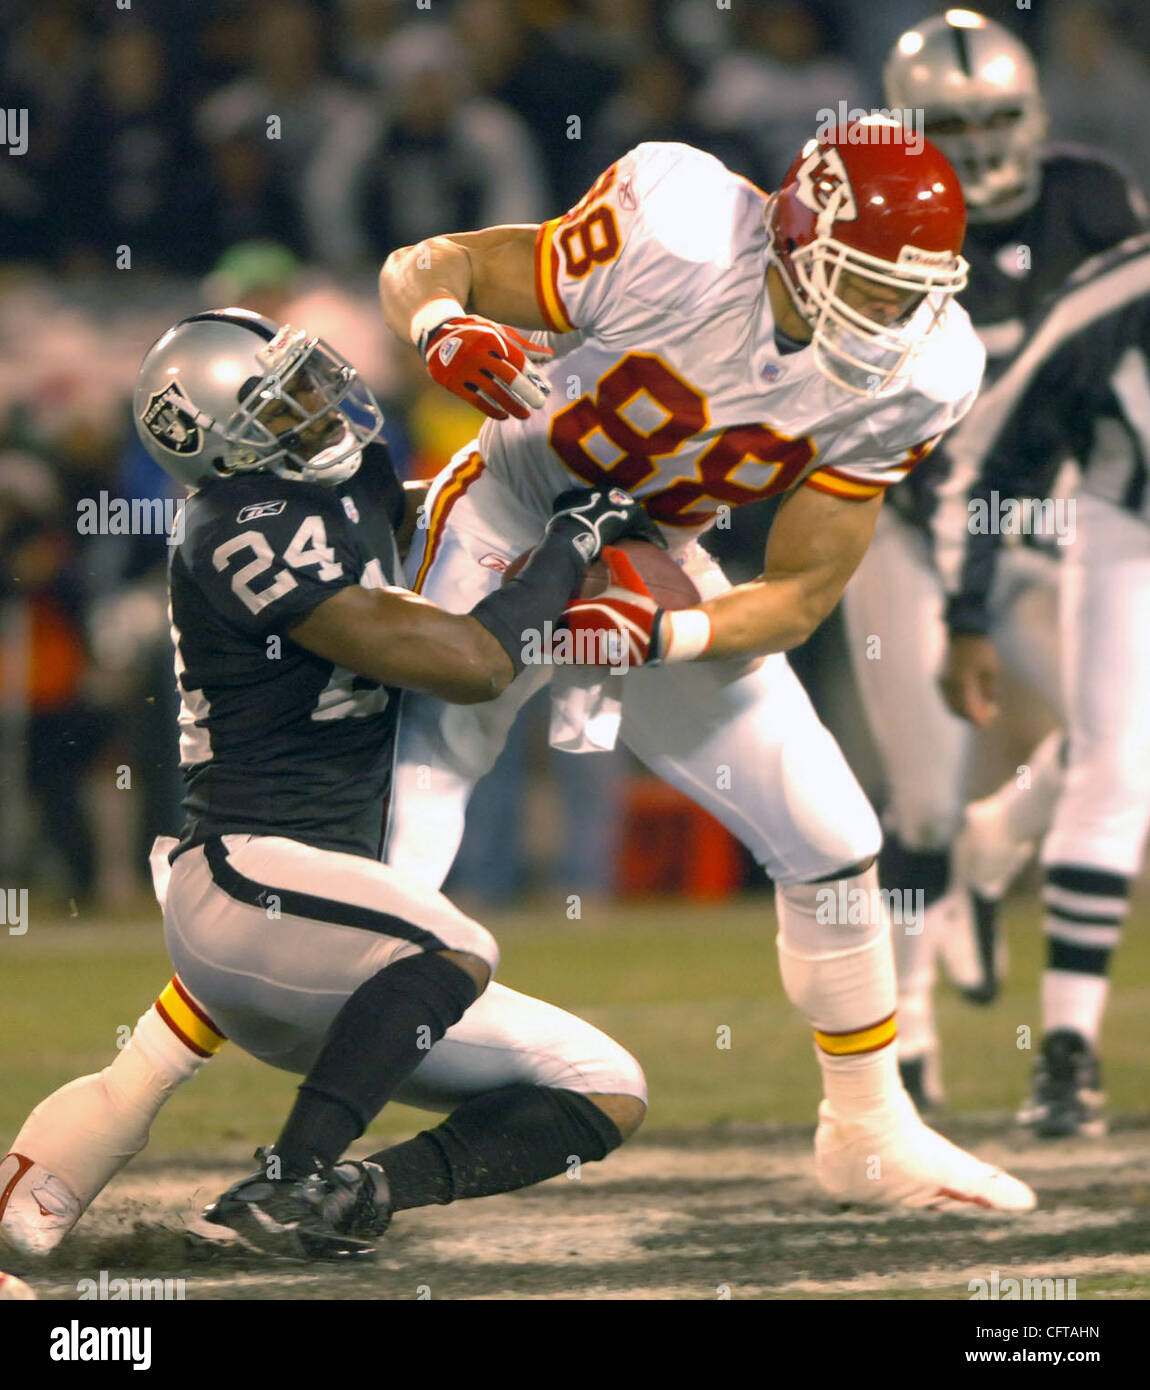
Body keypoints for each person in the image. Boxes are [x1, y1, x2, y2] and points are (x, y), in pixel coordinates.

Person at [376, 118, 1034, 1212]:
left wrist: (666, 629)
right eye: (868, 283)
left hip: (652, 555)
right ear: (796, 239)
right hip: (516, 513)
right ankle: (233, 1109)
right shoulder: (678, 227)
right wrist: (443, 325)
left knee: (830, 832)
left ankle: (868, 1132)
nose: (893, 316)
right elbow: (434, 260)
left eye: (911, 291)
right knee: (401, 852)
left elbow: (805, 590)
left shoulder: (924, 371)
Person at [1, 307, 653, 1260]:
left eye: (309, 379)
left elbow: (451, 524)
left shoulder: (351, 482)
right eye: (283, 400)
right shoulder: (238, 529)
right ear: (224, 443)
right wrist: (572, 545)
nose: (319, 405)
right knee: (453, 941)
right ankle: (283, 1181)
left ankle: (350, 1193)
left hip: (324, 925)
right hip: (247, 872)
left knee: (607, 1083)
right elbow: (469, 661)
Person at [840, 9, 1148, 1108]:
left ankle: (1003, 831)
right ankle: (907, 1038)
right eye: (948, 126)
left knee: (1122, 738)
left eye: (994, 121)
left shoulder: (1093, 199)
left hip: (1046, 521)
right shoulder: (877, 222)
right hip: (903, 518)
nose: (973, 149)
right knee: (920, 793)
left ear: (1036, 117)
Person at [937, 230, 1150, 1136]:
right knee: (1118, 771)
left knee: (1126, 745)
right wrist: (968, 614)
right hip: (1125, 530)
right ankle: (1067, 1052)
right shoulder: (1104, 309)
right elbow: (988, 464)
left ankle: (1005, 825)